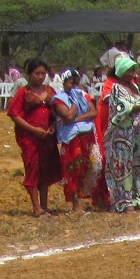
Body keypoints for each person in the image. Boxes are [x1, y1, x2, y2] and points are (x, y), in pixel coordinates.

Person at [6, 59, 63, 218]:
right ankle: (36, 207)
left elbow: (56, 112)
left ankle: (45, 205)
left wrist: (53, 127)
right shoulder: (24, 92)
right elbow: (15, 115)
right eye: (36, 73)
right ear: (29, 74)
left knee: (46, 168)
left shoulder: (50, 90)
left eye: (43, 73)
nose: (40, 77)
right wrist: (33, 130)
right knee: (33, 168)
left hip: (47, 137)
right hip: (30, 137)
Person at [105, 57, 140, 212]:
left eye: (132, 70)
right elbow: (125, 109)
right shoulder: (116, 88)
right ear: (120, 71)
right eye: (127, 70)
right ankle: (125, 201)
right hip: (123, 135)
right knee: (124, 166)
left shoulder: (136, 87)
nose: (130, 74)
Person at [52, 69, 97, 213]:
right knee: (73, 168)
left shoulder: (83, 95)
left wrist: (77, 118)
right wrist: (75, 103)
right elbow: (68, 116)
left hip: (87, 135)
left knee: (88, 167)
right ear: (65, 82)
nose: (75, 86)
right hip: (71, 138)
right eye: (71, 82)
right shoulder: (59, 98)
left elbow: (93, 112)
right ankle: (75, 203)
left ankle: (84, 198)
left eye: (76, 82)